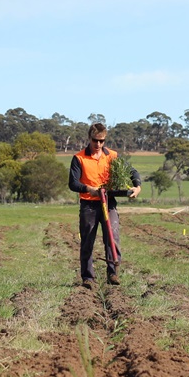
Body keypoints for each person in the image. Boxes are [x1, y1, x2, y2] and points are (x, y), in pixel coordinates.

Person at [68, 122, 141, 290]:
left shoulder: (112, 156)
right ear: (89, 138)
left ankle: (113, 273)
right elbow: (73, 183)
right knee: (87, 240)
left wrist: (137, 186)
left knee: (112, 237)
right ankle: (88, 277)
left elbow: (132, 171)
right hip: (89, 205)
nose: (98, 144)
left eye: (102, 141)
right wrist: (89, 189)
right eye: (95, 140)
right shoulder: (79, 158)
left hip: (108, 202)